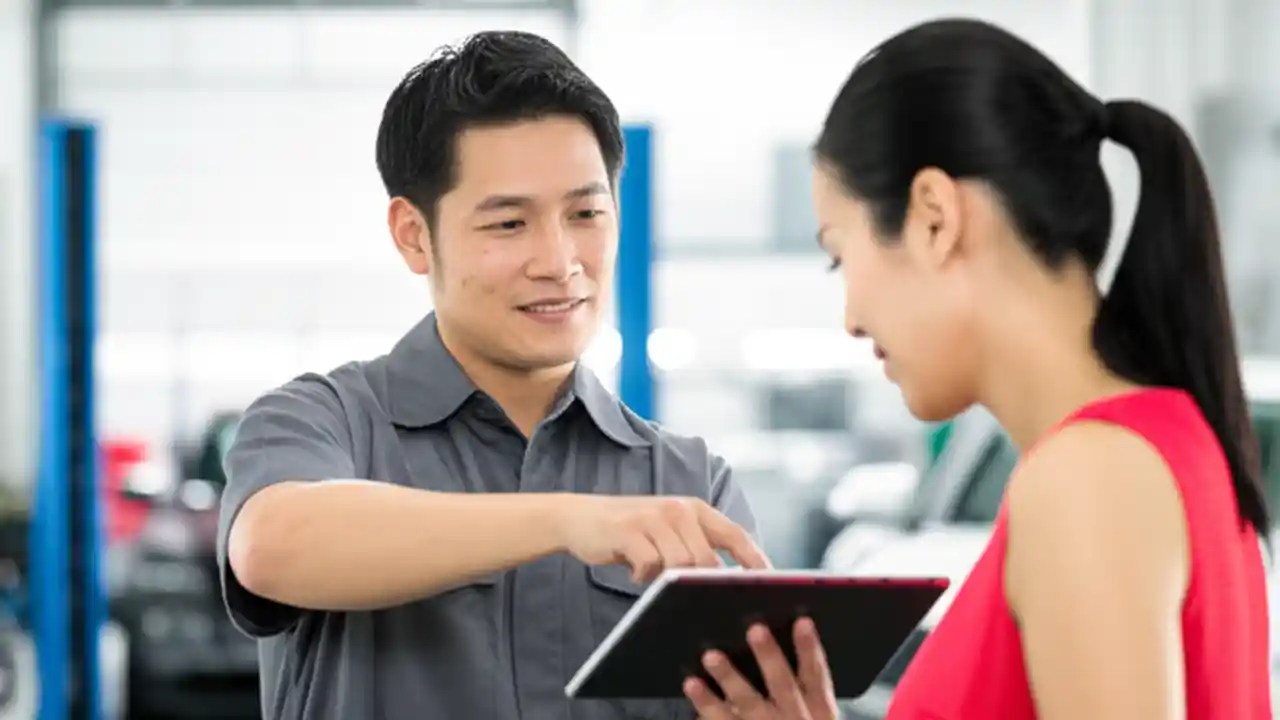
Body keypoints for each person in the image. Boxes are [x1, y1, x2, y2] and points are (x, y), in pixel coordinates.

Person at [682, 18, 1272, 720]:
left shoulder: (1088, 476)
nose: (851, 317)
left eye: (842, 257)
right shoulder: (1164, 445)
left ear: (934, 217)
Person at [216, 30, 768, 720]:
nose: (560, 260)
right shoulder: (323, 422)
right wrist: (567, 520)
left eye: (587, 214)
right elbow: (273, 547)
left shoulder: (686, 481)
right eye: (510, 224)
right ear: (414, 235)